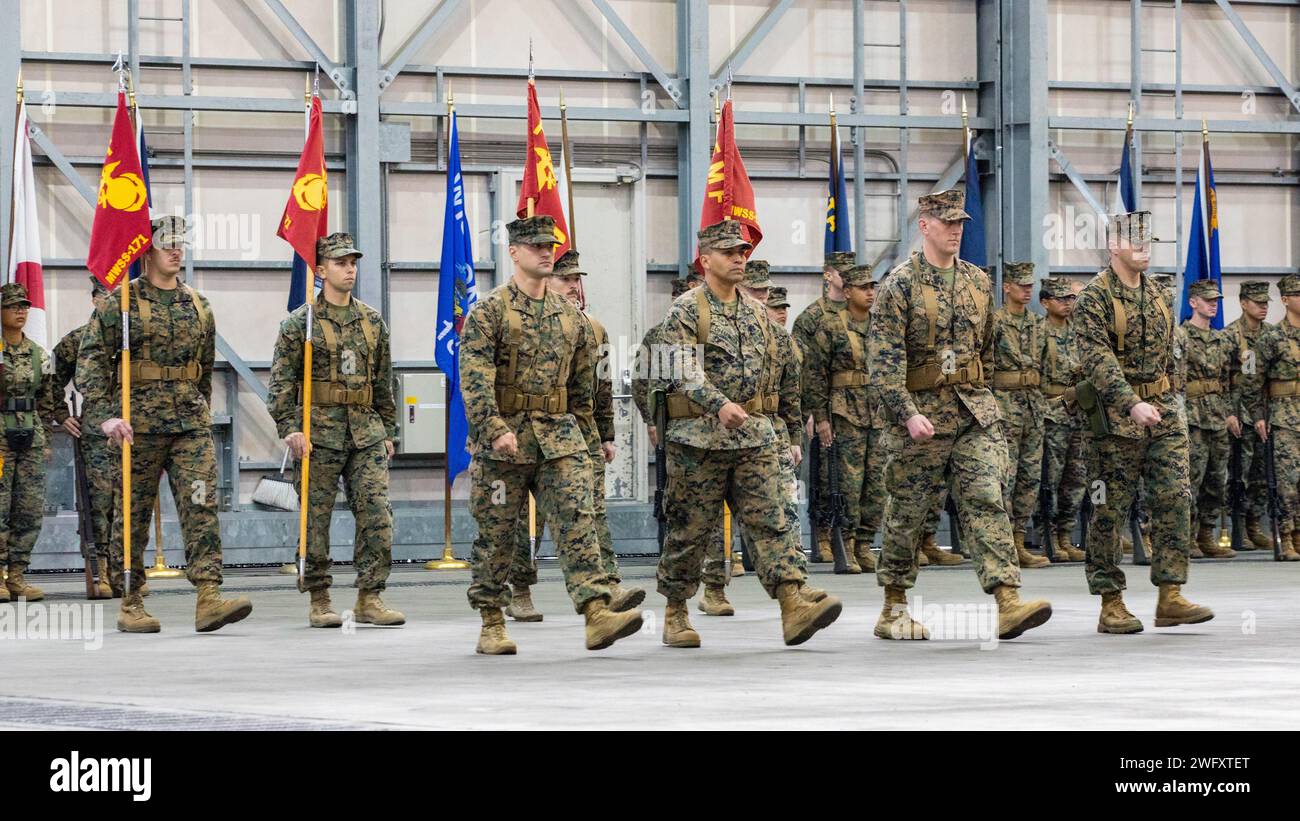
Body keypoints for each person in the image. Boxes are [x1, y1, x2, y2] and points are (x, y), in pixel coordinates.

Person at [869, 189, 1052, 641]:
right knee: (908, 514)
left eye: (960, 223)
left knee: (987, 497)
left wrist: (984, 397)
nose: (955, 230)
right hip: (920, 421)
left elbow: (987, 350)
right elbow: (884, 365)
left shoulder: (977, 281)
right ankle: (893, 605)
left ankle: (1007, 599)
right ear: (924, 226)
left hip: (973, 413)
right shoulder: (899, 286)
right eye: (947, 222)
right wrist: (907, 413)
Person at [459, 215, 643, 654]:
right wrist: (493, 428)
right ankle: (491, 621)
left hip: (561, 439)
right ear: (514, 253)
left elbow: (584, 385)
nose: (546, 251)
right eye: (537, 245)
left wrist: (589, 437)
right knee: (498, 535)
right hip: (505, 442)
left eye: (551, 245)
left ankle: (596, 613)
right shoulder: (490, 312)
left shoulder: (571, 318)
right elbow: (474, 378)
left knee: (577, 523)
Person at [653, 220, 841, 648]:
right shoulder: (685, 310)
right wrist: (718, 403)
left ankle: (792, 604)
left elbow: (783, 372)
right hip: (698, 441)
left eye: (743, 252)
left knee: (772, 520)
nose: (740, 258)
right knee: (689, 530)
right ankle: (676, 610)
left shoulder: (758, 313)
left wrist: (789, 430)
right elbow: (680, 366)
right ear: (706, 261)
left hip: (754, 440)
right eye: (730, 252)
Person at [78, 215, 253, 633]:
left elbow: (204, 366)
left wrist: (201, 412)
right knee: (131, 515)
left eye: (180, 243)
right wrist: (105, 416)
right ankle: (131, 599)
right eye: (166, 243)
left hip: (189, 426)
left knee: (201, 504)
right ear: (146, 249)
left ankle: (208, 596)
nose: (176, 250)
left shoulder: (198, 304)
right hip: (135, 425)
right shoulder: (119, 304)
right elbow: (90, 363)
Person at [1073, 211, 1214, 633]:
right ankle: (1110, 600)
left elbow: (1175, 353)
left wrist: (1174, 403)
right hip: (1115, 420)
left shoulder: (1157, 293)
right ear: (1114, 246)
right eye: (1136, 241)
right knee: (1107, 509)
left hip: (1164, 413)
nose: (1145, 248)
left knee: (1175, 498)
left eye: (1149, 240)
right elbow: (1097, 360)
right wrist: (1131, 402)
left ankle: (1169, 594)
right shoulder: (1095, 298)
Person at [266, 232, 405, 628]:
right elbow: (281, 382)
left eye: (353, 262)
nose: (350, 269)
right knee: (316, 519)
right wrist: (290, 428)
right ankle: (319, 597)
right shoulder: (301, 324)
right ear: (321, 269)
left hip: (365, 433)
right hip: (318, 434)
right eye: (341, 263)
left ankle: (370, 596)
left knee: (377, 514)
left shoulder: (371, 321)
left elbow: (383, 379)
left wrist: (388, 430)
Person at [503, 249, 644, 622]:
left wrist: (606, 434)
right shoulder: (515, 318)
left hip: (575, 435)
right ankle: (520, 590)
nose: (573, 286)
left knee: (588, 513)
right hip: (524, 431)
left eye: (577, 280)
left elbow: (599, 386)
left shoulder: (592, 328)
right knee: (520, 519)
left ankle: (607, 586)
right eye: (566, 279)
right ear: (546, 280)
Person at [48, 276, 122, 597]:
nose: (111, 303)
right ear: (94, 300)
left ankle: (125, 569)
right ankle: (100, 569)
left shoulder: (130, 341)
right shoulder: (77, 341)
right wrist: (61, 414)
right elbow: (50, 377)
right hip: (95, 433)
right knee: (99, 502)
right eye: (105, 296)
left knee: (128, 502)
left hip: (132, 432)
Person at [988, 262, 1051, 568]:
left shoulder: (1039, 325)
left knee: (1030, 477)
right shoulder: (995, 323)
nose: (1027, 290)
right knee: (1005, 477)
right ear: (1007, 287)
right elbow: (985, 368)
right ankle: (1000, 543)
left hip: (1034, 407)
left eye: (1030, 286)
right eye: (1021, 285)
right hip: (1004, 407)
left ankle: (1018, 540)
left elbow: (1047, 367)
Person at [0, 283, 55, 603]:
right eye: (13, 306)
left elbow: (47, 400)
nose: (20, 311)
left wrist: (45, 437)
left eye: (24, 306)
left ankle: (17, 574)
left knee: (29, 509)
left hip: (31, 435)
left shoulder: (39, 354)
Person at [1180, 279, 1237, 560]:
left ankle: (1207, 534)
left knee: (1217, 479)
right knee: (1192, 478)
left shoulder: (1222, 339)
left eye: (1216, 300)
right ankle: (1188, 537)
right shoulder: (1181, 336)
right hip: (1192, 416)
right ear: (1193, 302)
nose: (1213, 304)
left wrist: (1229, 412)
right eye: (1207, 300)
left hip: (1216, 416)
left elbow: (1227, 380)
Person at [1249, 275, 1300, 561]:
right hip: (1283, 419)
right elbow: (1253, 382)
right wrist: (1258, 415)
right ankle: (1287, 536)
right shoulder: (1272, 337)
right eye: (1298, 295)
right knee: (1286, 481)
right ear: (1285, 300)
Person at [1037, 276, 1087, 562]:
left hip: (1078, 413)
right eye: (1061, 298)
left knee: (1076, 478)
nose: (1068, 304)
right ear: (1045, 302)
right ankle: (1048, 535)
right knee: (1050, 479)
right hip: (1051, 412)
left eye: (1070, 298)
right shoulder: (1038, 331)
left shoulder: (1079, 332)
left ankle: (1066, 535)